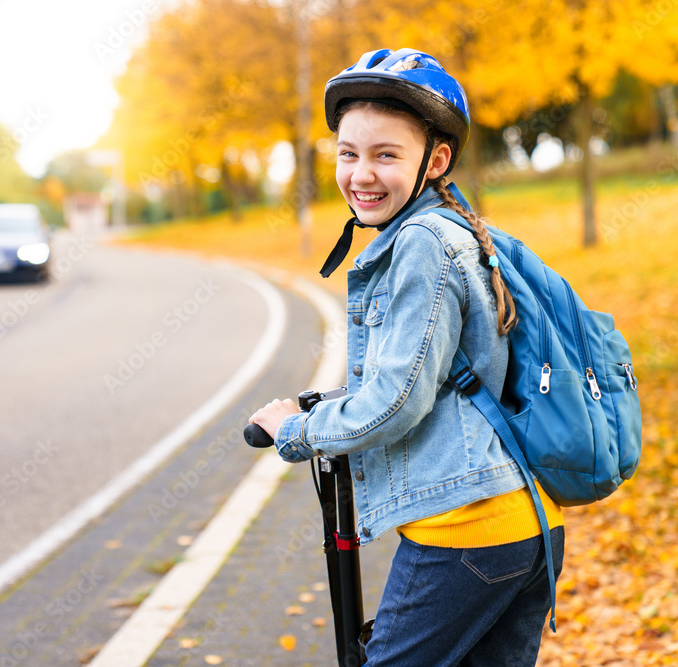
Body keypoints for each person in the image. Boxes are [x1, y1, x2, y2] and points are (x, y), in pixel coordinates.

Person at [249, 48, 565, 666]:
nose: (361, 174)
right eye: (348, 153)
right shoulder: (457, 227)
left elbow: (398, 401)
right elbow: (435, 375)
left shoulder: (423, 242)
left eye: (385, 155)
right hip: (527, 525)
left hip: (467, 532)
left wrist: (297, 429)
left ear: (436, 159)